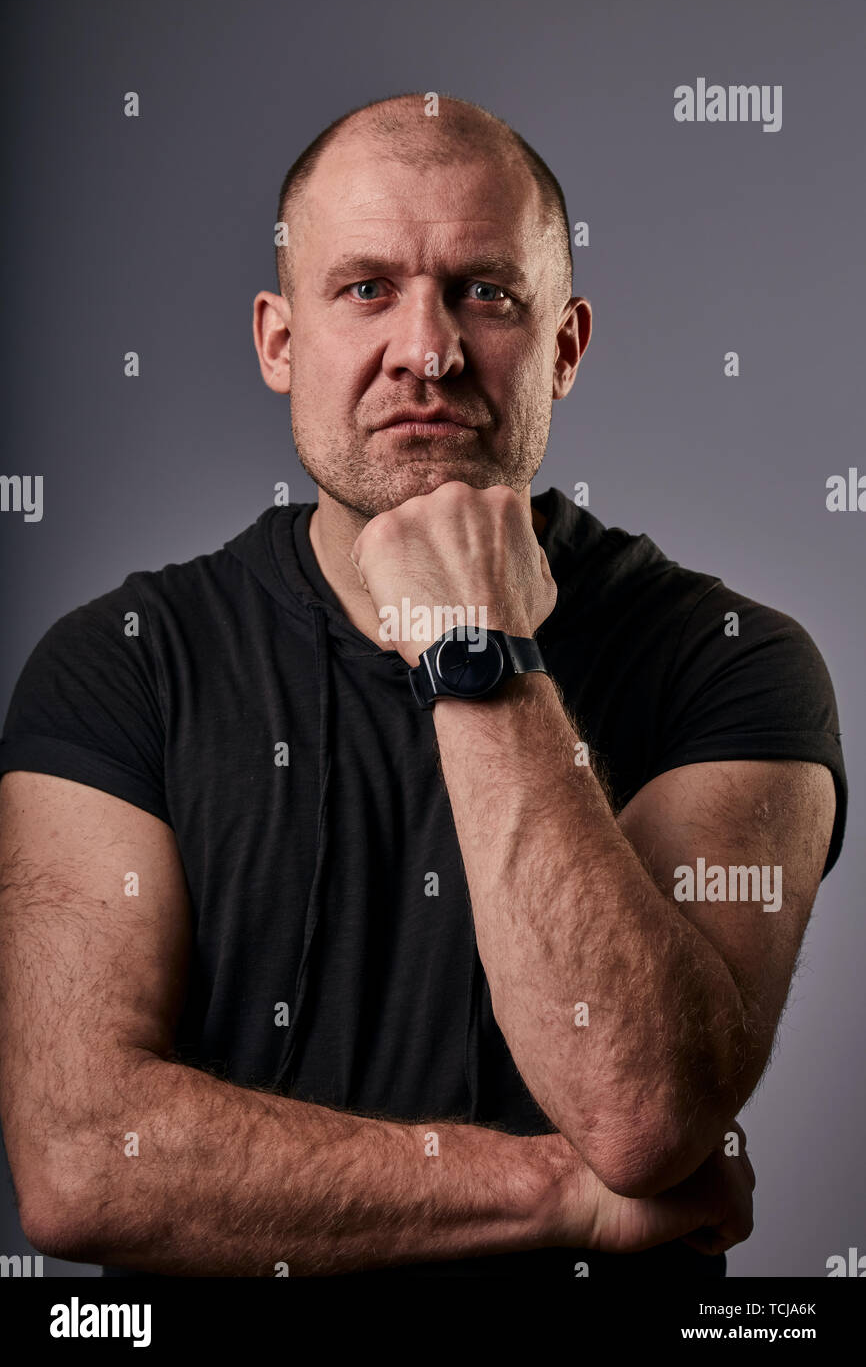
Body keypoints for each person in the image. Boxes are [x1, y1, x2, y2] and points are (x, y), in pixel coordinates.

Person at [0, 93, 845, 1279]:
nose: (428, 351)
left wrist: (473, 642)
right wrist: (554, 1193)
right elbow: (85, 1161)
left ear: (562, 347)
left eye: (483, 292)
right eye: (365, 289)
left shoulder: (730, 660)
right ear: (278, 341)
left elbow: (640, 1110)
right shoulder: (121, 665)